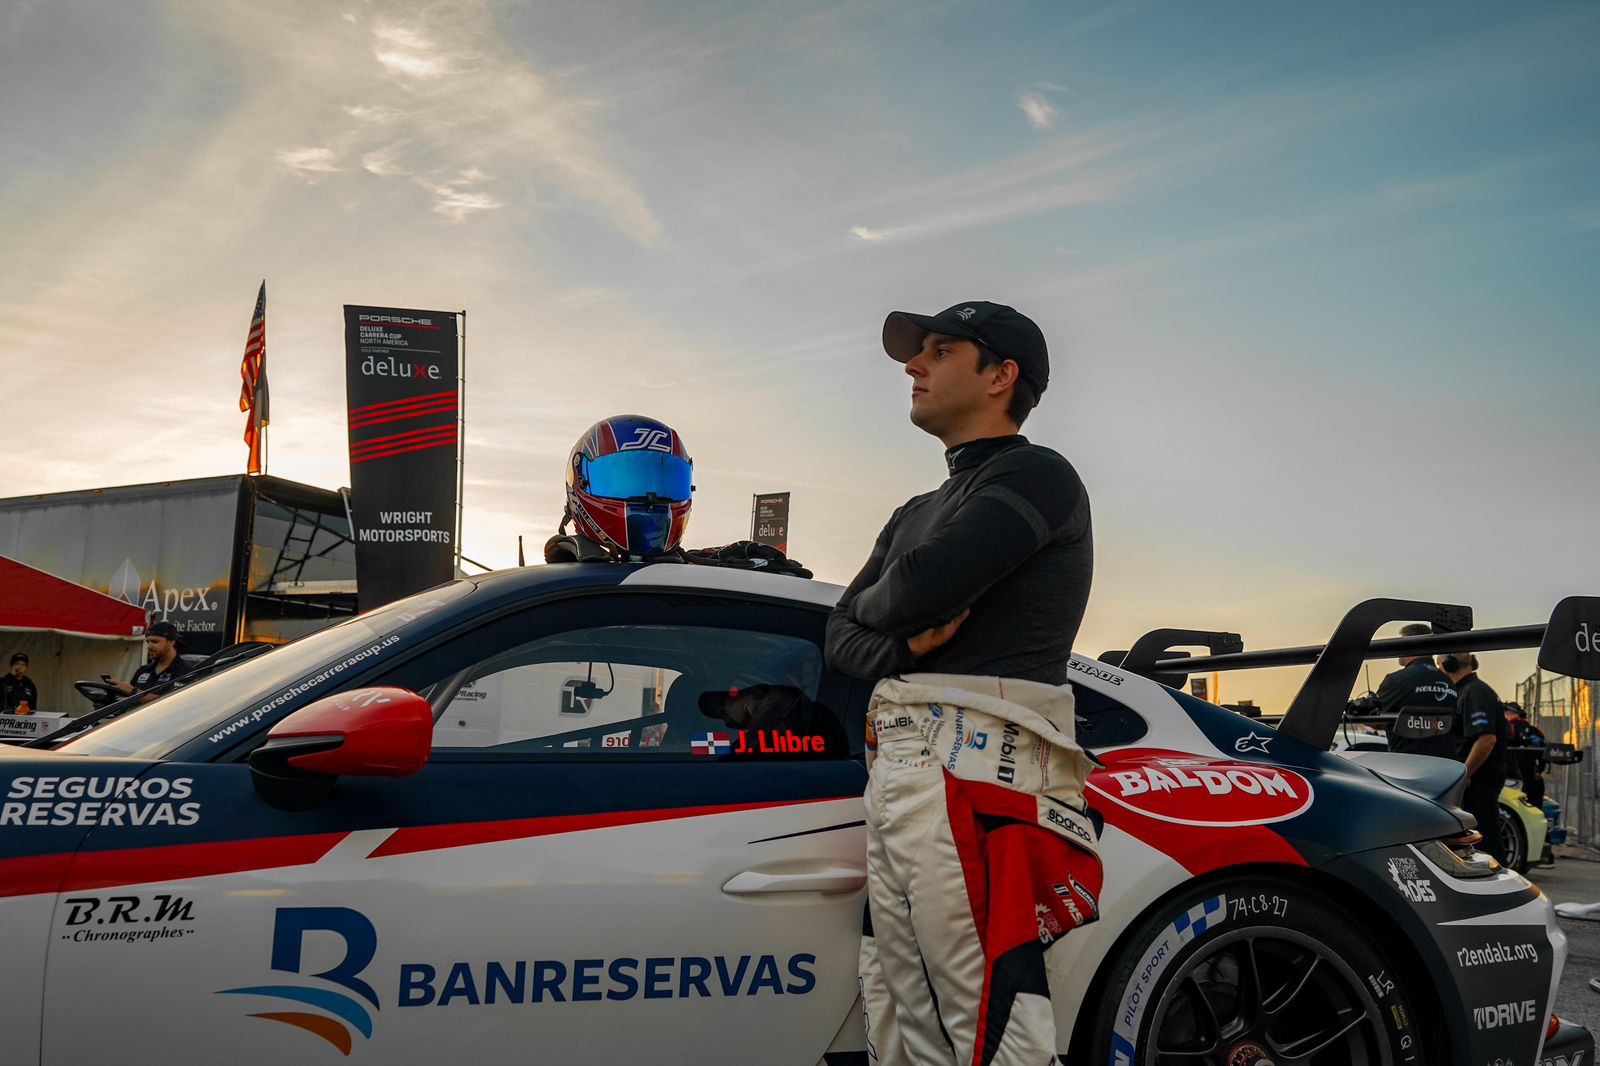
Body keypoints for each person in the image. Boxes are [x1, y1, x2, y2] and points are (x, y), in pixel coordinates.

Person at [826, 301, 1098, 1066]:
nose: (915, 366)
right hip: (905, 768)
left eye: (941, 351)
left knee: (987, 1021)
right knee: (898, 1009)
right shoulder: (917, 508)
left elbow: (916, 584)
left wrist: (888, 613)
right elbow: (840, 632)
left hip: (987, 769)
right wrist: (902, 644)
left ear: (1000, 377)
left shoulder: (1039, 475)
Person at [1438, 651, 1509, 864]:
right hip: (1476, 779)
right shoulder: (1467, 690)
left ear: (1447, 663)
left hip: (1477, 781)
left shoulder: (1474, 692)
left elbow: (1486, 740)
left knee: (1485, 843)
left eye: (1439, 659)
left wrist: (1465, 774)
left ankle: (1500, 890)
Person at [1375, 623, 1458, 759]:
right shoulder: (1450, 682)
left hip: (1409, 765)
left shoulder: (1396, 680)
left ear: (1410, 645)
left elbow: (1376, 720)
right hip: (1446, 765)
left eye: (1400, 642)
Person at [109, 621, 192, 696]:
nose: (149, 646)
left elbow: (171, 703)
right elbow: (128, 699)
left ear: (171, 642)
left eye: (155, 641)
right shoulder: (143, 670)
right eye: (148, 642)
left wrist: (133, 691)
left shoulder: (185, 672)